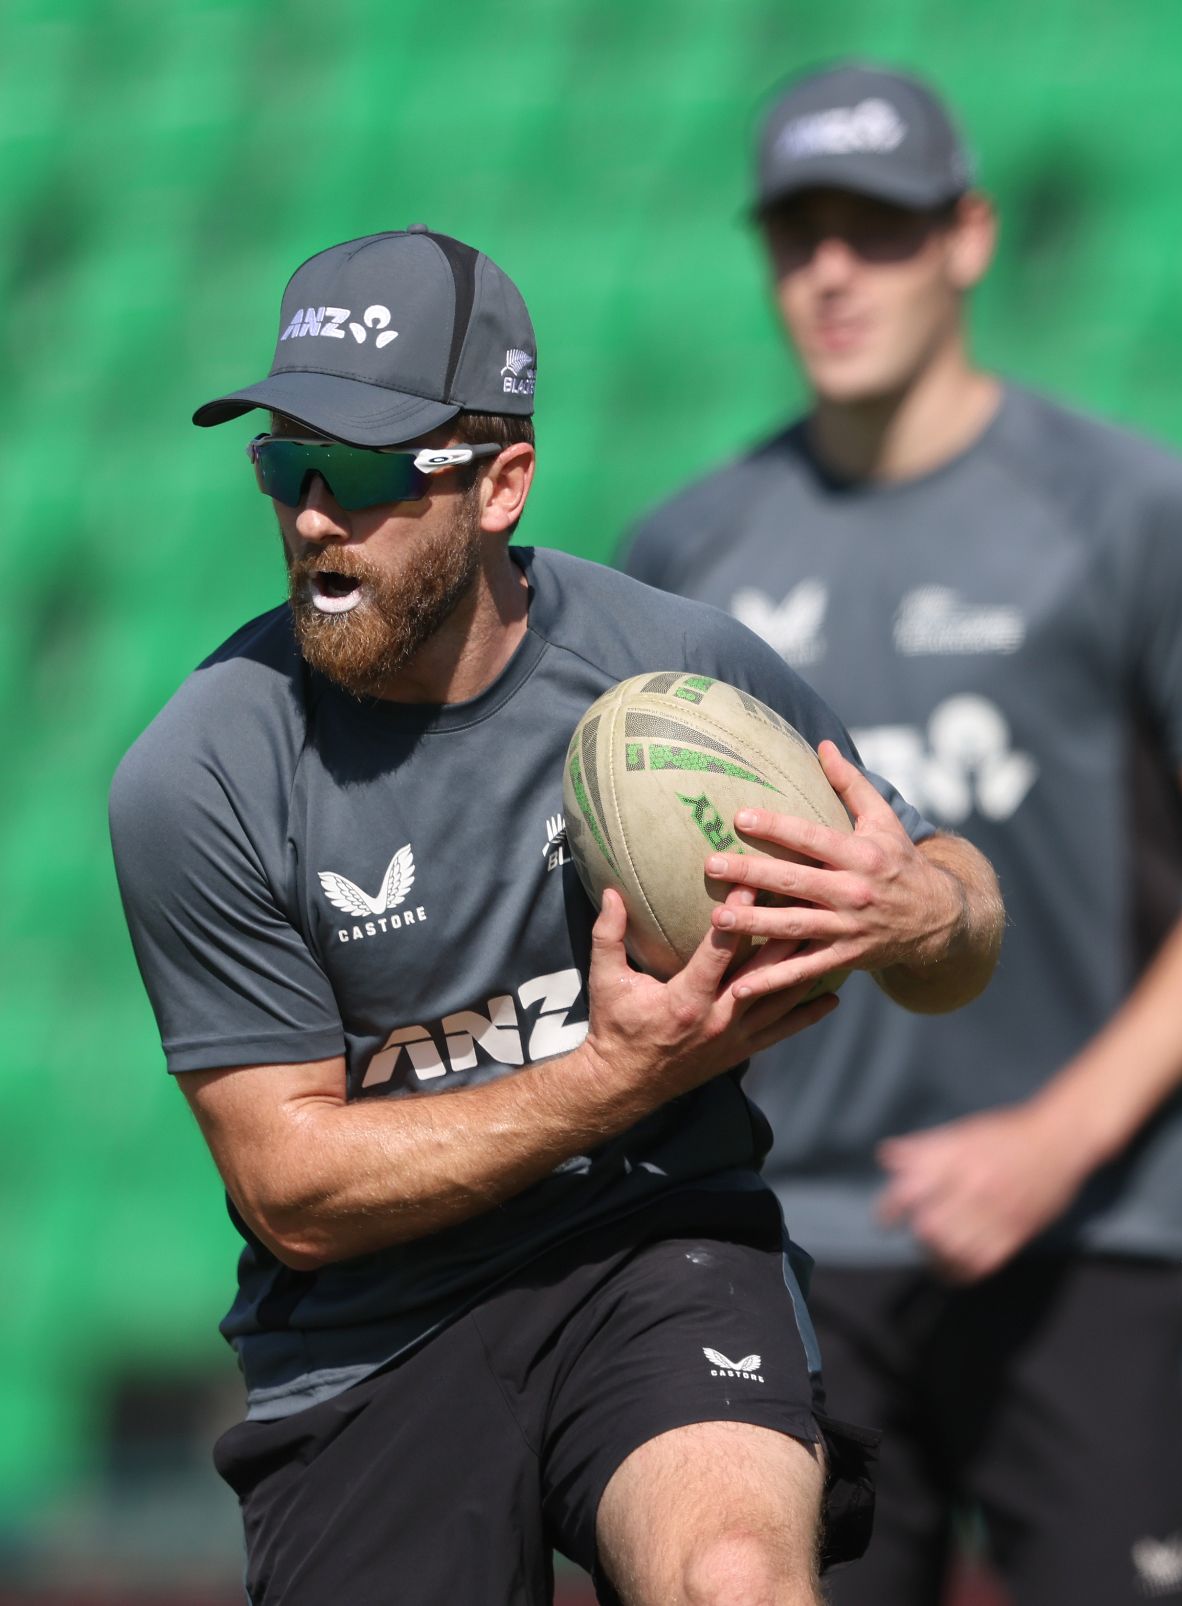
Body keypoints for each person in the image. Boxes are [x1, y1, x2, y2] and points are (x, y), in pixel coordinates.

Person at [107, 223, 1003, 1606]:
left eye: (362, 472)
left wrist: (914, 910)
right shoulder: (201, 772)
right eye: (285, 465)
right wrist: (611, 1074)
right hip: (367, 1333)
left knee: (736, 1581)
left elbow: (960, 934)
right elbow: (293, 1195)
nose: (312, 518)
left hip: (652, 1242)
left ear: (502, 481)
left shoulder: (678, 674)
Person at [621, 64, 1182, 1606]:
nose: (832, 269)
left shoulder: (1136, 513)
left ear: (968, 237)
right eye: (798, 231)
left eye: (876, 228)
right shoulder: (691, 548)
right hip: (791, 1233)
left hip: (1086, 1225)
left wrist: (1058, 1137)